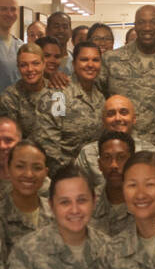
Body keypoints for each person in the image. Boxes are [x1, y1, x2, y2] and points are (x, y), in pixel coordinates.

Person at [100, 6, 155, 146]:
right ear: (135, 25)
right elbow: (94, 95)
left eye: (153, 22)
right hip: (120, 146)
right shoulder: (111, 59)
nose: (147, 27)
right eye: (141, 22)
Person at [35, 42, 105, 173]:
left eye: (95, 60)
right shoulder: (59, 94)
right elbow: (49, 144)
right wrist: (64, 176)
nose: (90, 65)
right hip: (64, 175)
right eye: (84, 60)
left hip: (93, 175)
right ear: (74, 64)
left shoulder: (100, 97)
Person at [0, 139, 51, 250]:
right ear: (8, 169)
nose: (29, 174)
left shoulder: (57, 212)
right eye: (20, 166)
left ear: (45, 173)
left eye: (37, 168)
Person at [88, 131, 142, 237]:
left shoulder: (152, 201)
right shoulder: (87, 203)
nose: (114, 165)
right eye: (107, 158)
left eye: (121, 157)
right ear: (99, 164)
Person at [0, 43, 49, 144]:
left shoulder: (56, 93)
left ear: (44, 64)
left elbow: (59, 128)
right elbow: (12, 137)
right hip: (24, 153)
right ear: (18, 67)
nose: (30, 69)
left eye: (35, 63)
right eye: (23, 65)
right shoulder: (9, 97)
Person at [46, 11, 74, 75]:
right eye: (56, 26)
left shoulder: (76, 60)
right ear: (47, 30)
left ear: (71, 32)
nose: (61, 30)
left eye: (65, 27)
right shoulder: (38, 60)